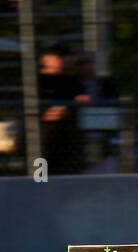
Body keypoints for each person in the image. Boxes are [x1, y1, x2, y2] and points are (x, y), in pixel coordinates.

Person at [38, 43, 84, 174]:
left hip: (68, 142)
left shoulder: (71, 81)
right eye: (57, 56)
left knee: (69, 176)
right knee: (41, 176)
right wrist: (50, 112)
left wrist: (72, 106)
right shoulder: (37, 81)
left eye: (63, 56)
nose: (61, 60)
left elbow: (80, 100)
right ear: (44, 59)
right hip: (42, 141)